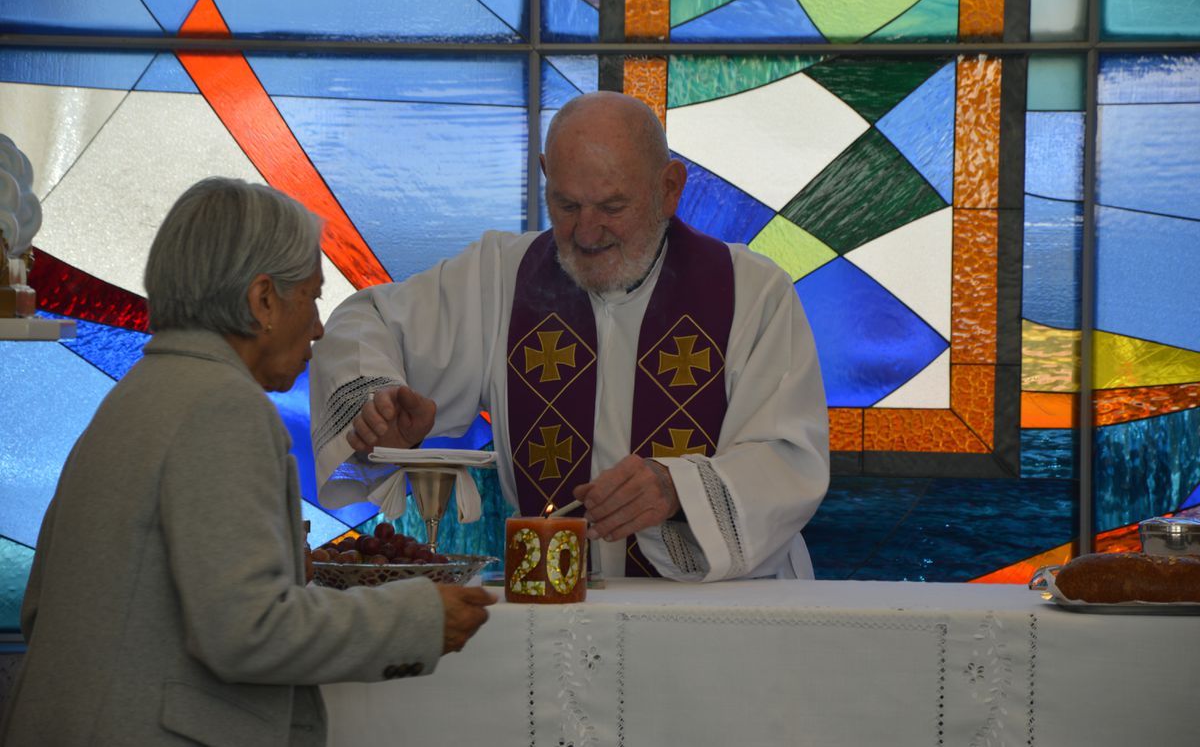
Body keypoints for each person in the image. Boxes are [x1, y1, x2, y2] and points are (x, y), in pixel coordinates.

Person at [1, 178, 495, 747]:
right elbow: (247, 630)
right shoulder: (222, 406)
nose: (317, 328)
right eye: (311, 297)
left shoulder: (140, 392)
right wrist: (418, 620)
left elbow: (43, 608)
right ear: (263, 300)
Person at [310, 91, 829, 582]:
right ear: (544, 178)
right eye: (566, 205)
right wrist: (378, 408)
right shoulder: (500, 278)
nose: (586, 232)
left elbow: (789, 459)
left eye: (612, 207)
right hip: (551, 599)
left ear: (669, 188)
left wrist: (680, 491)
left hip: (715, 612)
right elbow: (365, 319)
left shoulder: (752, 293)